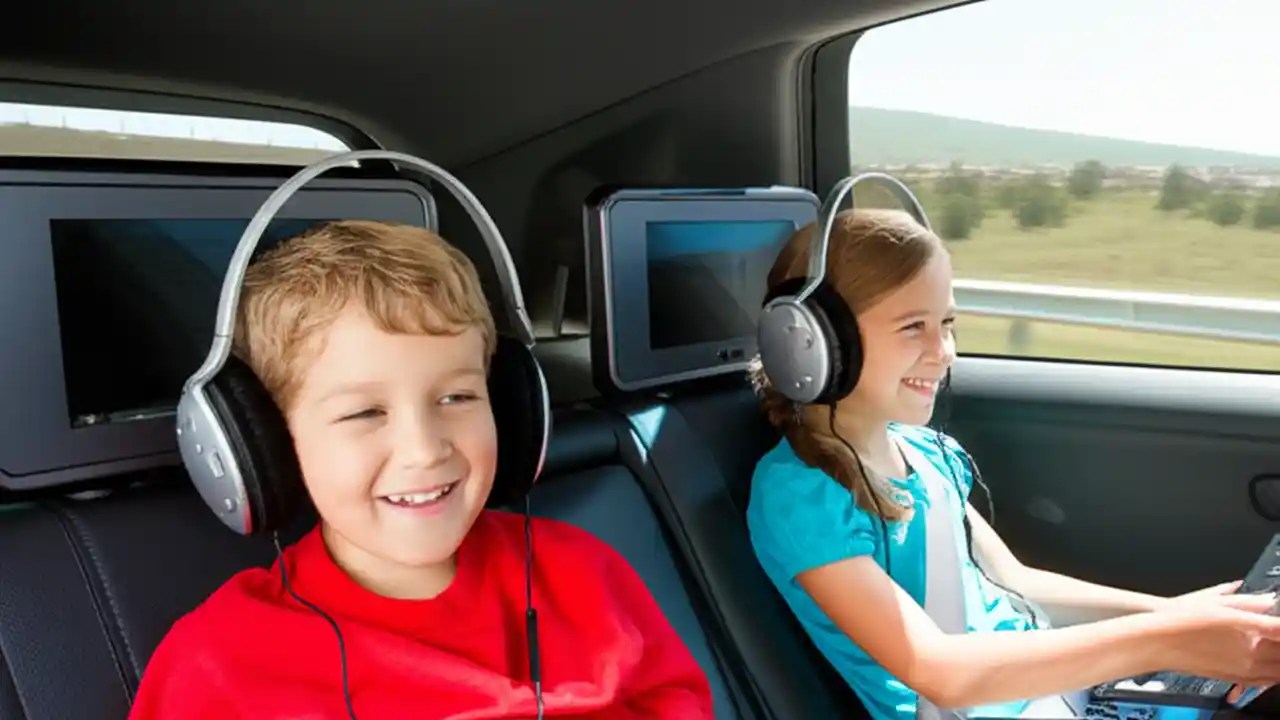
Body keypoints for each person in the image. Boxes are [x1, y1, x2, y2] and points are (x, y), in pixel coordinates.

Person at [129, 220, 713, 719]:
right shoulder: (219, 662)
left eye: (457, 398)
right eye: (364, 412)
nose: (424, 449)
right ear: (273, 446)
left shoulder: (584, 574)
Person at [746, 208, 1280, 720]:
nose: (945, 350)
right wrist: (1165, 642)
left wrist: (1174, 614)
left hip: (1054, 691)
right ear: (815, 345)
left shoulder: (921, 452)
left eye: (947, 322)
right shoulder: (800, 497)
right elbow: (941, 673)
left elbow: (1015, 581)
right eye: (913, 326)